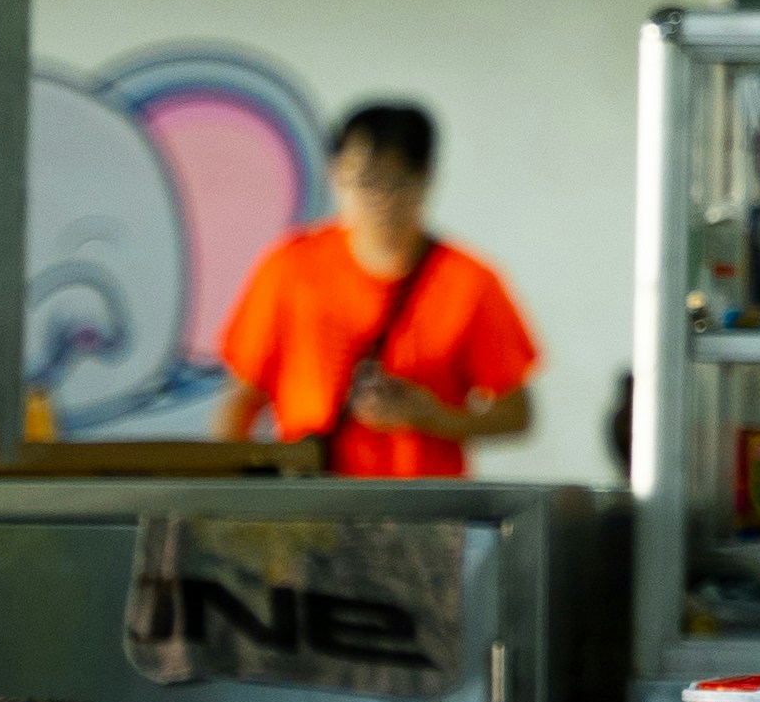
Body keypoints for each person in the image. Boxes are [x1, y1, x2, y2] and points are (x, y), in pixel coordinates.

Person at [216, 101, 538, 476]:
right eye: (365, 180)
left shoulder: (469, 280)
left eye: (396, 181)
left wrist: (434, 418)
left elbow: (517, 413)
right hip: (311, 503)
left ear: (426, 178)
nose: (379, 198)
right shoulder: (290, 266)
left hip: (423, 513)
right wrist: (232, 490)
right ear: (336, 176)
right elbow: (241, 400)